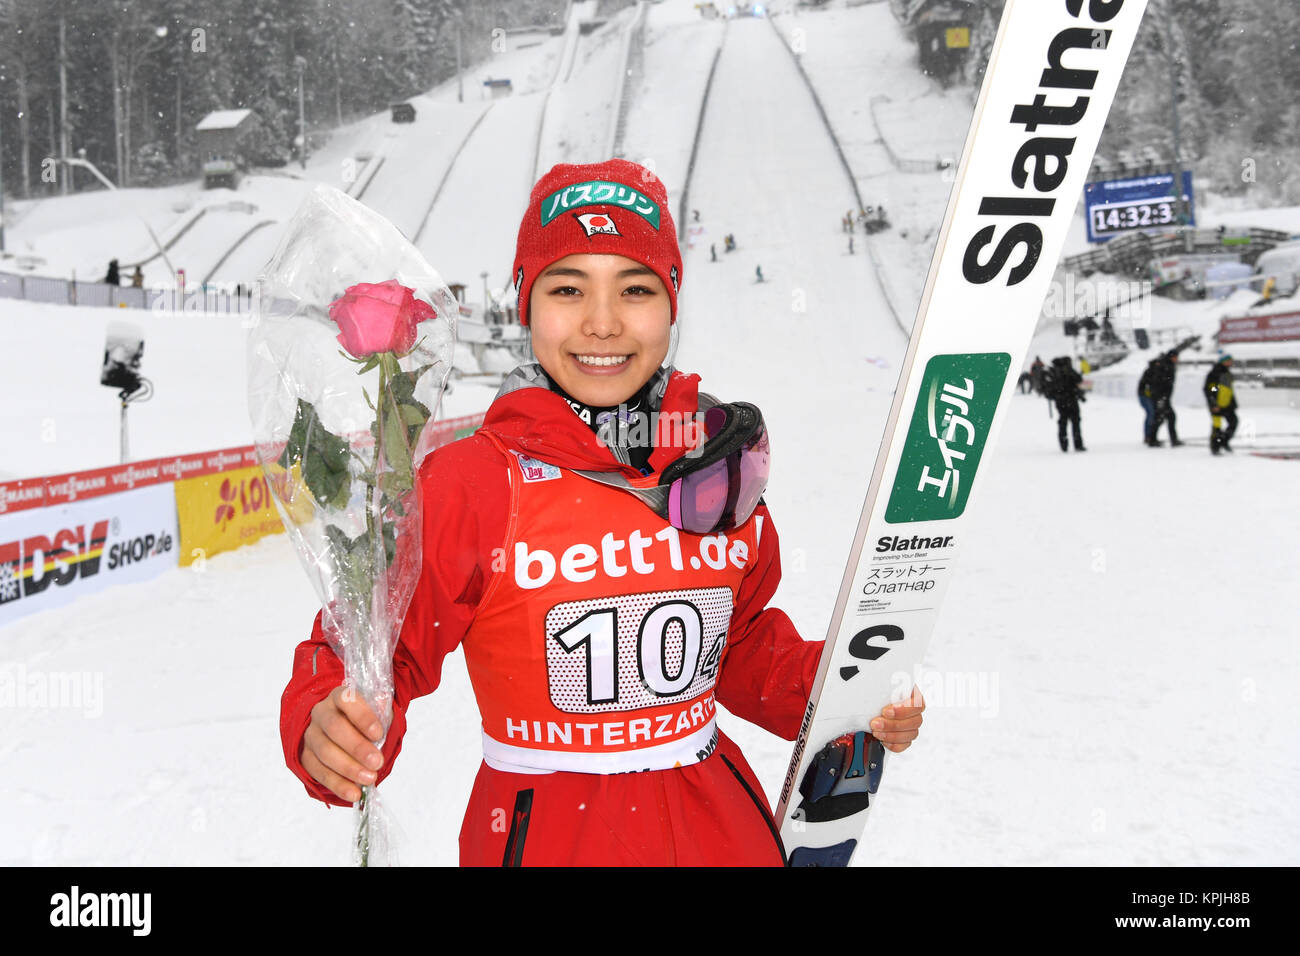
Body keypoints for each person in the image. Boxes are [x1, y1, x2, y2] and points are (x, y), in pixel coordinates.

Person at [279, 160, 926, 867]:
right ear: (526, 304)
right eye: (567, 288)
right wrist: (327, 719)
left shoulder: (717, 467)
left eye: (636, 288)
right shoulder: (475, 482)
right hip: (550, 839)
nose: (603, 321)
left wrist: (834, 691)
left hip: (721, 834)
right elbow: (377, 646)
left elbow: (739, 645)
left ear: (672, 303)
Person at [1045, 356, 1085, 452]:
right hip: (1071, 399)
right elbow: (1078, 379)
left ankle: (1064, 445)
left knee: (1063, 421)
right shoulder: (1068, 370)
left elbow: (1048, 387)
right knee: (1075, 422)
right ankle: (1078, 444)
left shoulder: (1053, 371)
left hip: (1060, 401)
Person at [1146, 349, 1183, 447]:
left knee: (1161, 418)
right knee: (1166, 417)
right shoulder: (1165, 366)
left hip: (1162, 397)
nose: (1177, 359)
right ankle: (1171, 440)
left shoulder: (1166, 365)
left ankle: (1153, 439)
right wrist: (1161, 398)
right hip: (1161, 397)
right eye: (1175, 357)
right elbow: (1159, 383)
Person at [1203, 353, 1238, 455]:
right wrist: (1213, 403)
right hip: (1216, 405)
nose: (1230, 362)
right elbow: (1210, 389)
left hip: (1227, 404)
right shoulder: (1214, 373)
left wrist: (1233, 403)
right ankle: (1215, 447)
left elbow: (1229, 390)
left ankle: (1223, 442)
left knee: (1233, 422)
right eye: (1228, 360)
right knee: (1217, 426)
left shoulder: (1228, 373)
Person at [1137, 357, 1158, 445]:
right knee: (1151, 414)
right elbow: (1148, 385)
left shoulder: (1150, 371)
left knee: (1151, 415)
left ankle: (1148, 435)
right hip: (1146, 396)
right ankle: (1148, 436)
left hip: (1145, 395)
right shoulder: (1151, 372)